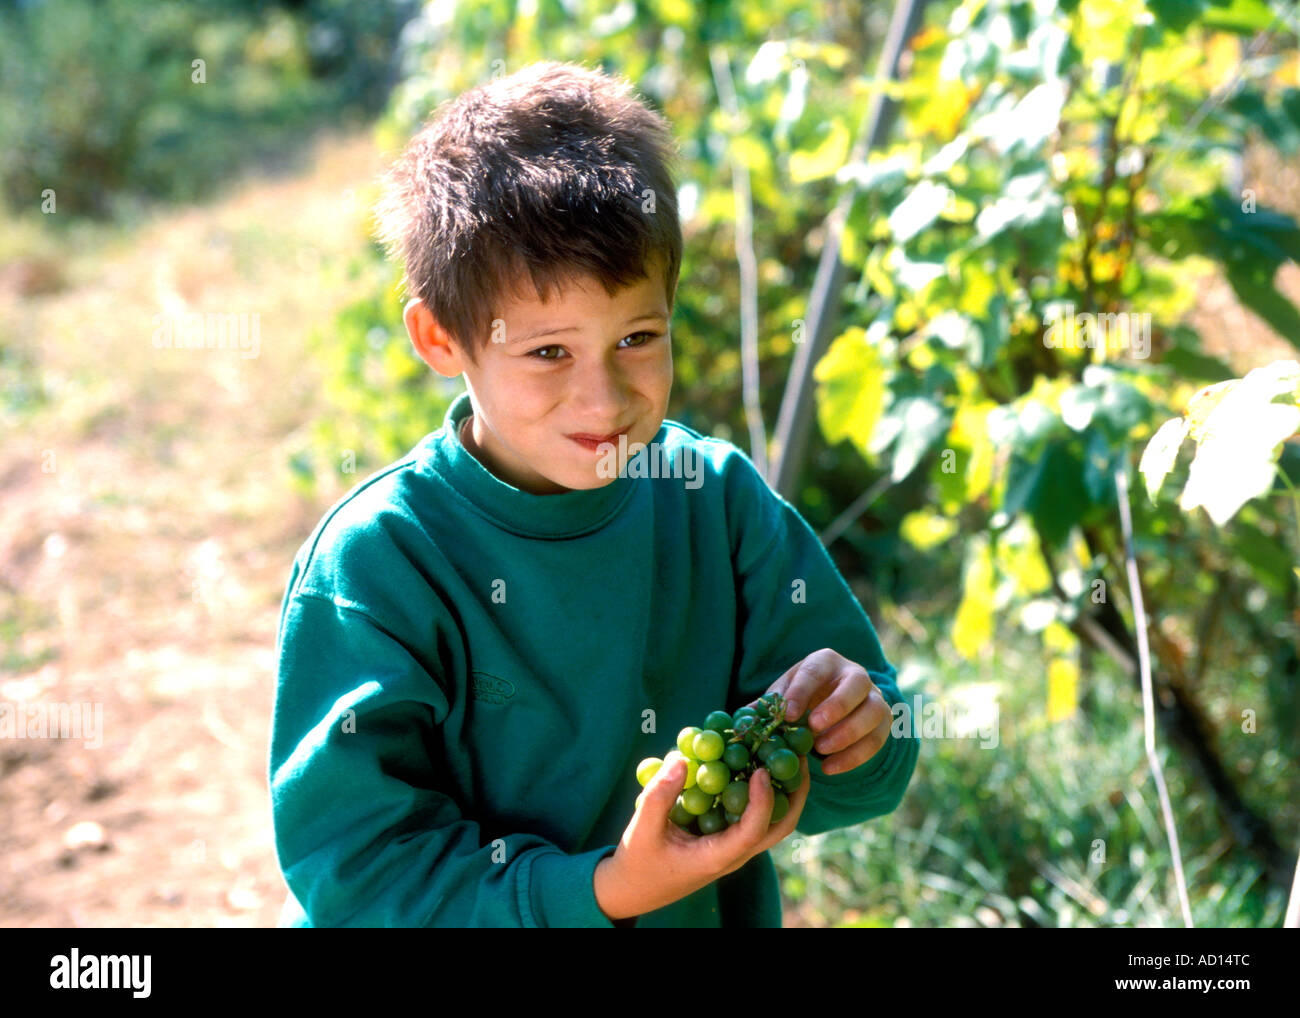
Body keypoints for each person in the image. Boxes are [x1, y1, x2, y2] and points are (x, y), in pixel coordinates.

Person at [268, 59, 919, 928]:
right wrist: (602, 892)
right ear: (440, 337)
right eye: (548, 353)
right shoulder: (381, 563)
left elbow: (857, 774)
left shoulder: (715, 501)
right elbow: (359, 876)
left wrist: (858, 736)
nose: (604, 399)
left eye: (638, 337)